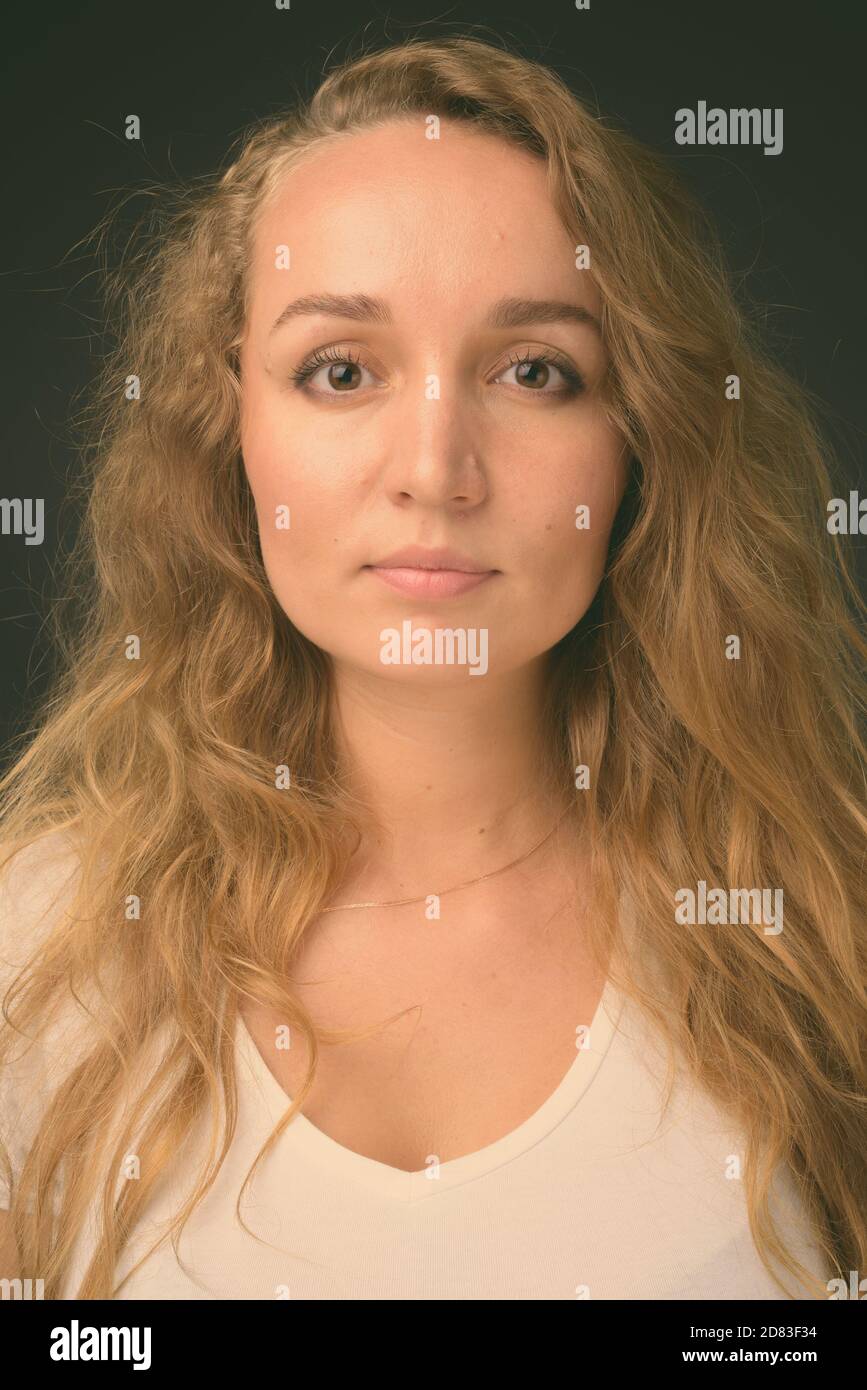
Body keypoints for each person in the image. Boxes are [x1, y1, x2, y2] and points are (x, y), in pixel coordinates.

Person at [0, 35, 864, 1302]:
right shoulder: (33, 947)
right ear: (228, 424)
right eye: (341, 369)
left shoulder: (824, 934)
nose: (435, 467)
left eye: (534, 372)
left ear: (642, 439)